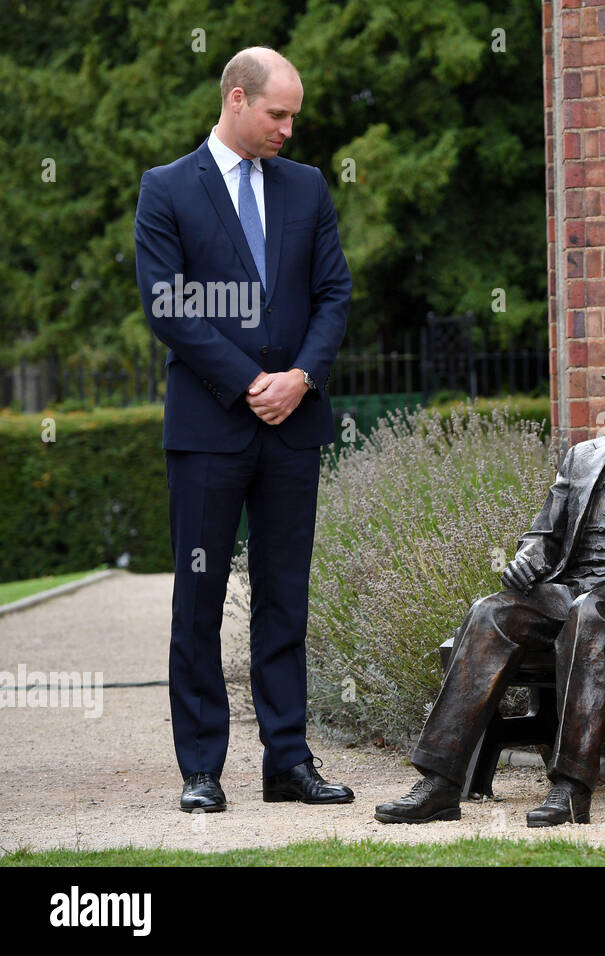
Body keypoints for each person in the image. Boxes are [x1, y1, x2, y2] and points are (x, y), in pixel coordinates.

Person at [375, 326, 605, 827]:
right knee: (491, 612)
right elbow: (543, 535)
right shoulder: (582, 458)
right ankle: (440, 782)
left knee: (594, 612)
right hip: (571, 589)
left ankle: (569, 788)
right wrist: (527, 557)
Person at [133, 46, 352, 812]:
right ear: (236, 99)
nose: (290, 128)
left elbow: (334, 295)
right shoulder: (165, 190)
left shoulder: (309, 187)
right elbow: (168, 305)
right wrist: (246, 382)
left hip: (294, 425)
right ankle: (202, 770)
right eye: (278, 114)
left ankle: (286, 762)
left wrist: (300, 378)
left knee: (284, 598)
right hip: (208, 432)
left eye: (294, 115)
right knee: (197, 597)